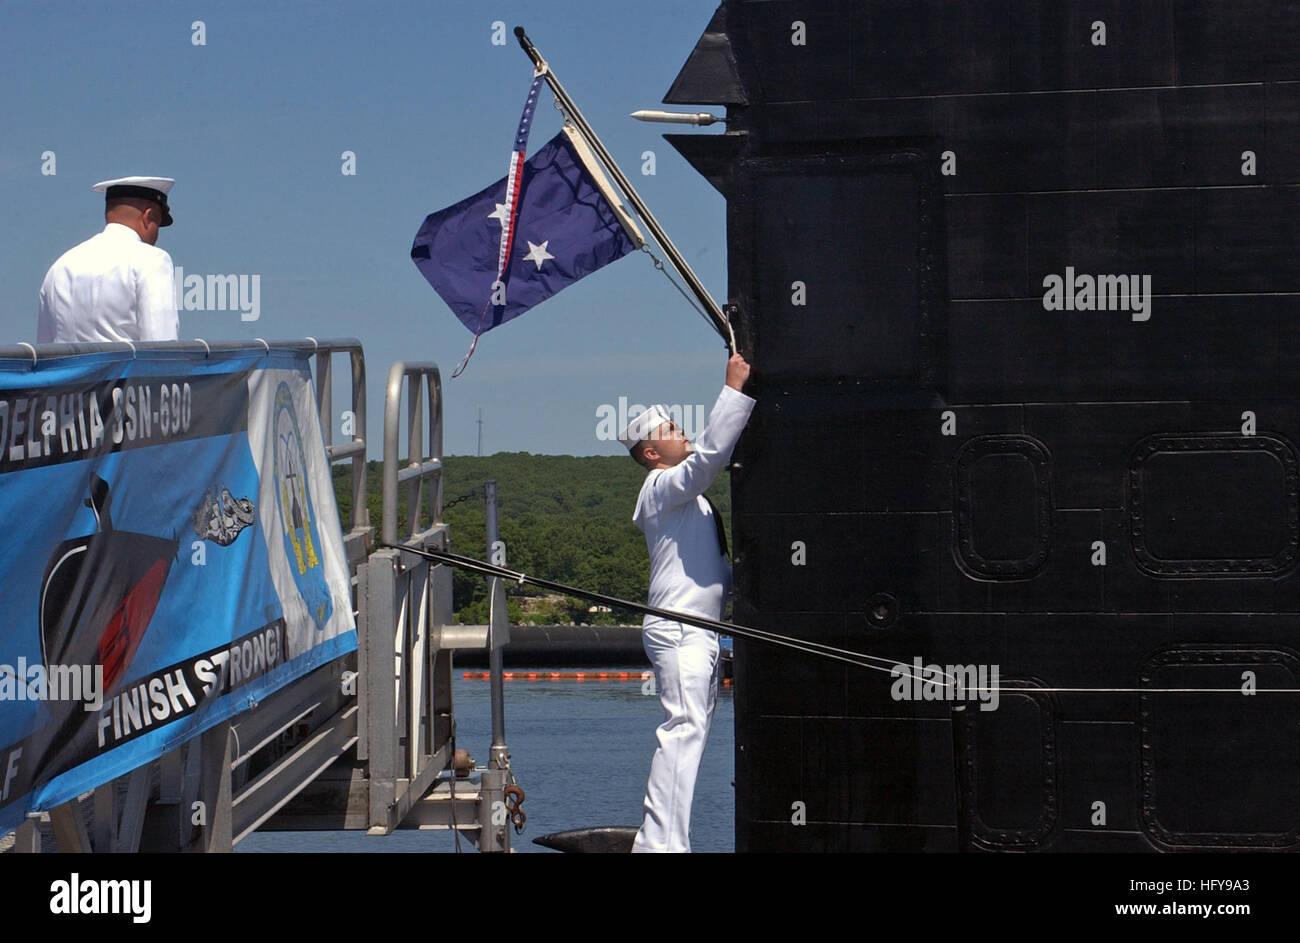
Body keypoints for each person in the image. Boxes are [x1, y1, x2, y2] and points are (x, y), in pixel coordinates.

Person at [620, 352, 755, 853]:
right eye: (672, 429)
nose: (682, 432)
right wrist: (734, 392)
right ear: (652, 454)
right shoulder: (661, 488)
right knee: (683, 730)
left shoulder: (690, 503)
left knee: (689, 732)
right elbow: (706, 463)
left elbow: (712, 573)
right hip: (680, 629)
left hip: (698, 629)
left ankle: (667, 842)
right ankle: (658, 846)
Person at [38, 176, 179, 343]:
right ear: (148, 217)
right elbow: (162, 350)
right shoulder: (152, 260)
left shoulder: (59, 267)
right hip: (127, 370)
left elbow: (44, 354)